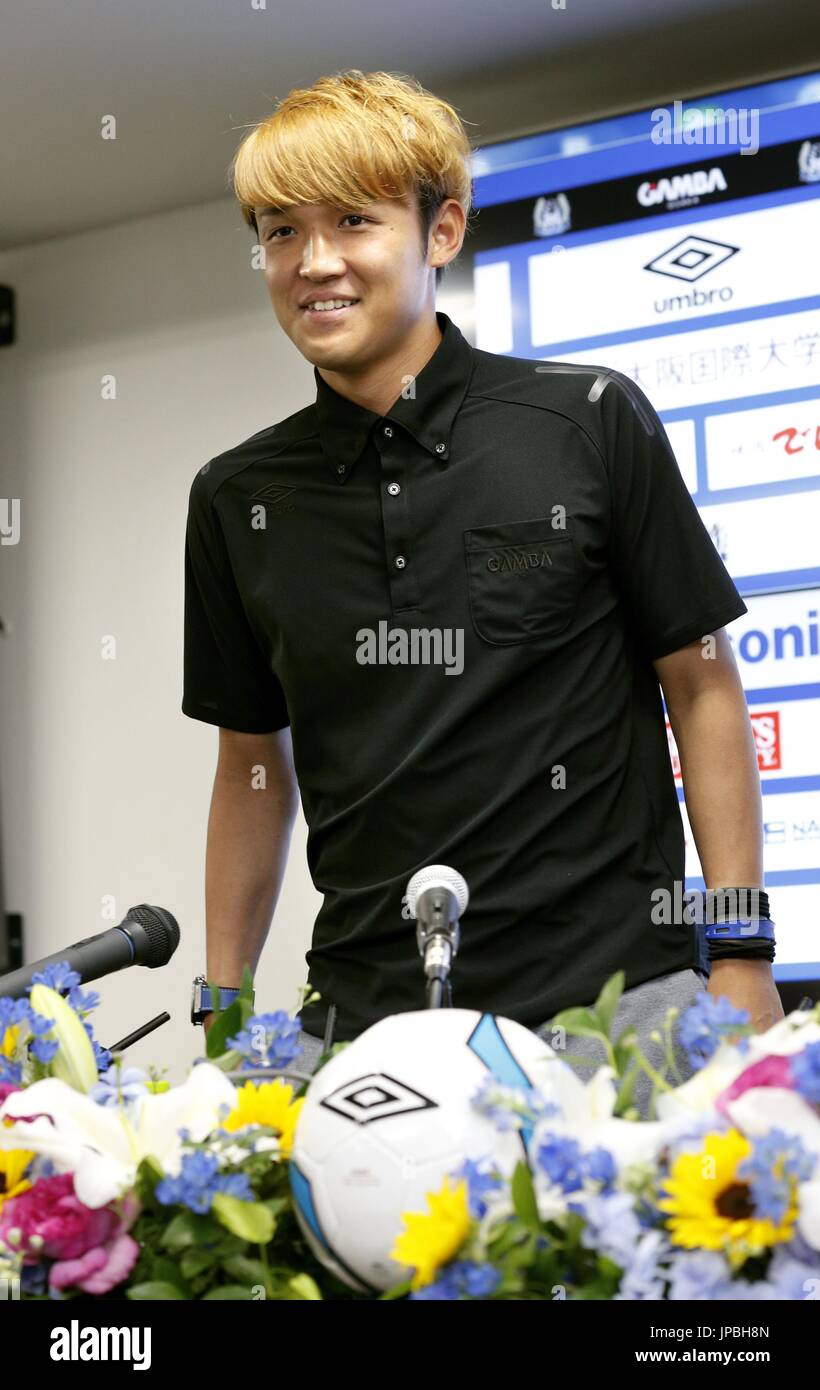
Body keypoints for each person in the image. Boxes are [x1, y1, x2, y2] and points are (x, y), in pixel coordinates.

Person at [182, 70, 783, 1116]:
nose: (313, 262)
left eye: (353, 223)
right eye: (280, 232)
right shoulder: (236, 497)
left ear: (442, 230)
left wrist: (738, 947)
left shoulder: (588, 420)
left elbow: (700, 685)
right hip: (360, 1030)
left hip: (614, 1006)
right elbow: (249, 767)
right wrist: (221, 1012)